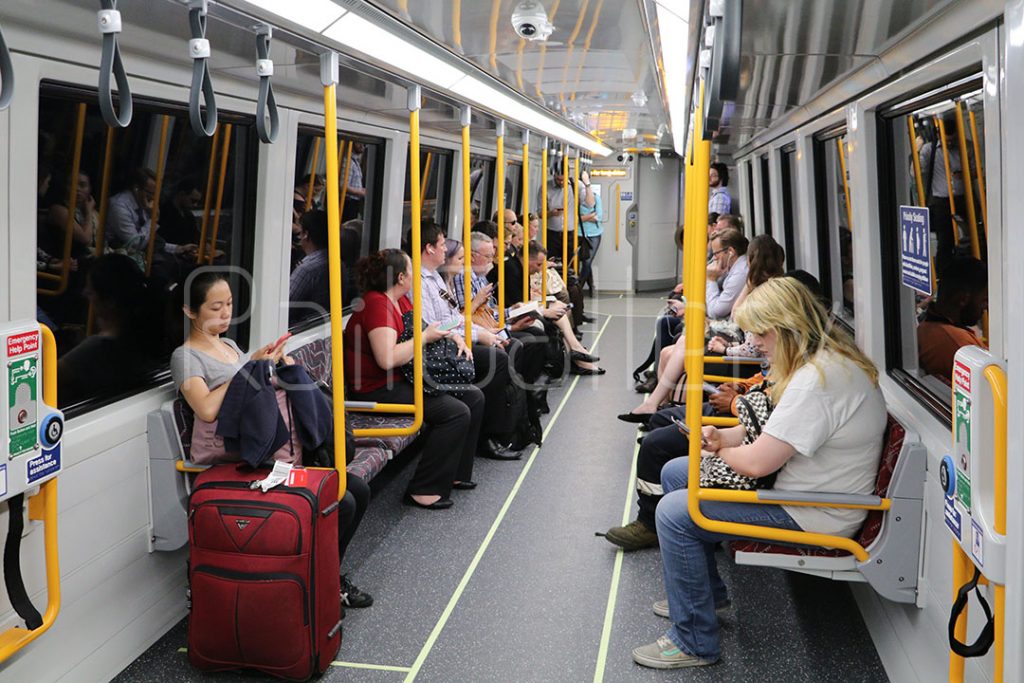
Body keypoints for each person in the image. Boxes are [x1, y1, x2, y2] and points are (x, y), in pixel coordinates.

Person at [632, 277, 886, 669]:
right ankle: (707, 595)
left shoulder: (816, 382)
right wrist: (724, 439)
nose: (757, 344)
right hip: (800, 489)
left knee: (675, 513)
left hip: (814, 511)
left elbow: (756, 463)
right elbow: (769, 433)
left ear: (786, 328)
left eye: (761, 334)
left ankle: (694, 642)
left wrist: (720, 450)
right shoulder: (818, 364)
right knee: (677, 473)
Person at [171, 270, 373, 607]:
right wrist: (249, 370)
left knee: (357, 489)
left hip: (265, 442)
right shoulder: (185, 357)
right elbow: (206, 409)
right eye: (215, 308)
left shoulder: (229, 345)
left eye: (230, 305)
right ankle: (321, 580)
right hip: (237, 454)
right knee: (344, 501)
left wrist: (264, 365)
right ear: (191, 312)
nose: (225, 314)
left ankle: (324, 573)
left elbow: (250, 389)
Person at [344, 249, 484, 507]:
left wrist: (452, 335)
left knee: (473, 395)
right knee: (455, 412)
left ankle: (454, 474)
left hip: (402, 376)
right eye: (410, 270)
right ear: (400, 277)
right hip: (378, 388)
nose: (413, 275)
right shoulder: (377, 305)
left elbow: (423, 328)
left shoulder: (400, 301)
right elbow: (386, 359)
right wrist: (425, 338)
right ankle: (423, 488)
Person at [411, 221, 522, 460]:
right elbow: (434, 326)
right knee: (497, 359)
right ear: (429, 248)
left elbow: (453, 318)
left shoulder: (436, 279)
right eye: (441, 245)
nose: (444, 249)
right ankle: (489, 435)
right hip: (435, 348)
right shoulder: (419, 283)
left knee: (501, 352)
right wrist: (473, 335)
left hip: (452, 339)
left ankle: (499, 429)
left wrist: (481, 333)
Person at [57, 254, 165, 406]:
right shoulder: (147, 337)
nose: (85, 293)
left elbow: (46, 378)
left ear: (109, 302)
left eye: (90, 292)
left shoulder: (98, 348)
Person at [706, 234, 785, 357]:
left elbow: (753, 349)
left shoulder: (760, 295)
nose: (714, 258)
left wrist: (725, 350)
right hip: (759, 356)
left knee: (694, 357)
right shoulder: (780, 286)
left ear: (750, 261)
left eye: (716, 254)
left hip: (759, 363)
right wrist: (729, 345)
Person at [107, 168, 197, 275]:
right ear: (136, 189)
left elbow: (149, 239)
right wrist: (153, 219)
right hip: (118, 257)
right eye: (151, 193)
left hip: (140, 256)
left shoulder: (143, 204)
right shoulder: (119, 206)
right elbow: (136, 243)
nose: (154, 198)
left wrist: (178, 248)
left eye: (156, 194)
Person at [917, 256, 987, 384]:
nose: (986, 307)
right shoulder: (959, 345)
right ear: (963, 299)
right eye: (984, 300)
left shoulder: (927, 327)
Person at [918, 113, 964, 275]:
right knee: (945, 241)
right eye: (947, 140)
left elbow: (978, 171)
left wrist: (966, 174)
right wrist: (917, 149)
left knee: (970, 237)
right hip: (940, 202)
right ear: (939, 135)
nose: (950, 143)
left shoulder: (966, 147)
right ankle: (944, 275)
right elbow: (914, 171)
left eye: (952, 139)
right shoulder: (929, 150)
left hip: (963, 199)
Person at [289, 210, 330, 325]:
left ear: (306, 234)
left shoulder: (306, 270)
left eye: (300, 231)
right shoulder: (338, 264)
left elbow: (286, 307)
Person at [705, 228, 749, 320]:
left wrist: (711, 280)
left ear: (730, 251)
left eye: (716, 253)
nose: (714, 258)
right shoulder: (732, 268)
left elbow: (716, 312)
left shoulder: (740, 273)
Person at [577, 170, 602, 293]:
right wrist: (589, 217)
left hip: (594, 235)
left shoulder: (596, 198)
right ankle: (591, 285)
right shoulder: (575, 200)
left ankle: (579, 288)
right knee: (583, 261)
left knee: (587, 262)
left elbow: (599, 217)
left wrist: (581, 217)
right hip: (578, 234)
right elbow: (573, 220)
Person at [159, 179, 202, 247]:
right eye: (193, 201)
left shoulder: (188, 214)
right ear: (181, 194)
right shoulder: (164, 211)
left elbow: (195, 234)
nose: (195, 205)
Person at [342, 142, 365, 222]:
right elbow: (343, 186)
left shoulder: (355, 162)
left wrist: (362, 190)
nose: (362, 145)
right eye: (358, 143)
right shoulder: (348, 162)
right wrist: (361, 192)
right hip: (347, 202)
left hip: (353, 202)